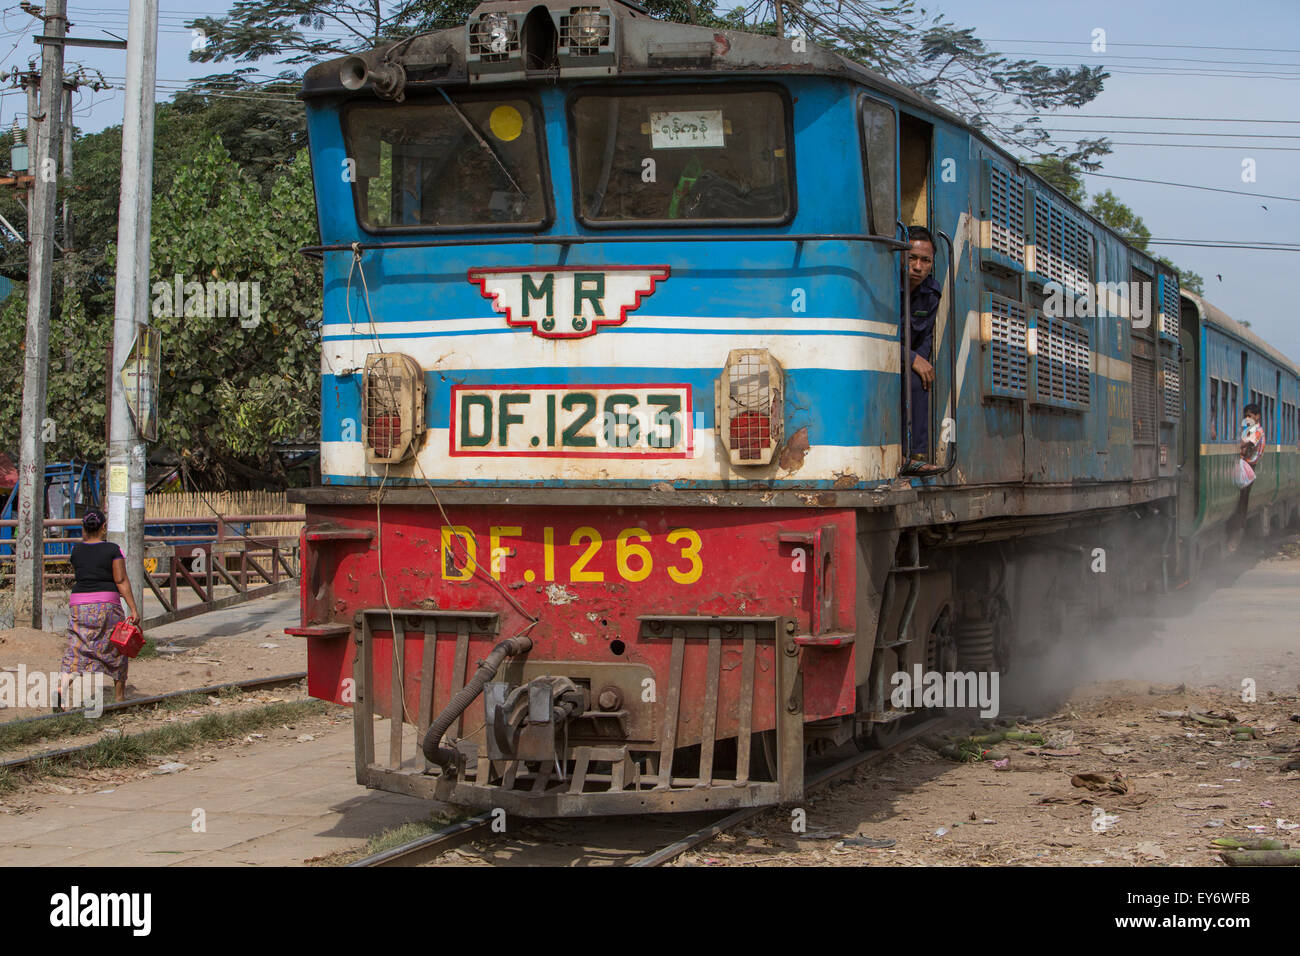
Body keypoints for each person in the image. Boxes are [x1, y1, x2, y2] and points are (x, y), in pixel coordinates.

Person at [57, 509, 141, 709]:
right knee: (118, 648)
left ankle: (61, 689)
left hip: (79, 606)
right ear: (104, 527)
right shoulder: (112, 550)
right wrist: (133, 609)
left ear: (83, 529)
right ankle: (119, 698)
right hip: (107, 605)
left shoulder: (76, 550)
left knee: (76, 648)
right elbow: (120, 580)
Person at [901, 225, 944, 476]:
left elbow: (926, 335)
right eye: (912, 258)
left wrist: (921, 360)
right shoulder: (885, 285)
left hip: (907, 358)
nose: (918, 267)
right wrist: (912, 358)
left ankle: (915, 455)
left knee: (920, 380)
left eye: (925, 260)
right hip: (884, 357)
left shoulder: (931, 293)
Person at [1227, 403, 1265, 553]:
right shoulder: (1251, 430)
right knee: (1241, 501)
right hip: (1247, 467)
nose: (1247, 418)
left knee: (1242, 503)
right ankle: (1235, 535)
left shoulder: (1257, 431)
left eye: (1250, 416)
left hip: (1248, 468)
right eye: (1246, 416)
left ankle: (1235, 538)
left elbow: (1246, 445)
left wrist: (1237, 445)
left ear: (1257, 417)